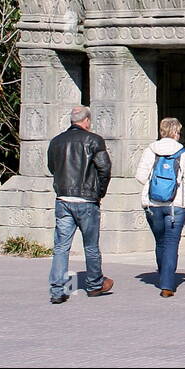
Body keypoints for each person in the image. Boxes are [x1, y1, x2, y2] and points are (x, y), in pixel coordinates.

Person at [46, 105, 113, 303]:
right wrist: (99, 192)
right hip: (87, 200)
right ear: (86, 121)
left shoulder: (56, 141)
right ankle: (94, 285)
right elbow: (105, 169)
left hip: (64, 199)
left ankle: (58, 290)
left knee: (61, 247)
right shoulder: (94, 140)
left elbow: (52, 167)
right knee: (90, 246)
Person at [134, 117, 185, 297]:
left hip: (152, 204)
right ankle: (167, 284)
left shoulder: (150, 151)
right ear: (176, 132)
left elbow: (140, 176)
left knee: (160, 242)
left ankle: (163, 274)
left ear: (161, 131)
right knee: (171, 243)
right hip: (176, 205)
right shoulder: (184, 153)